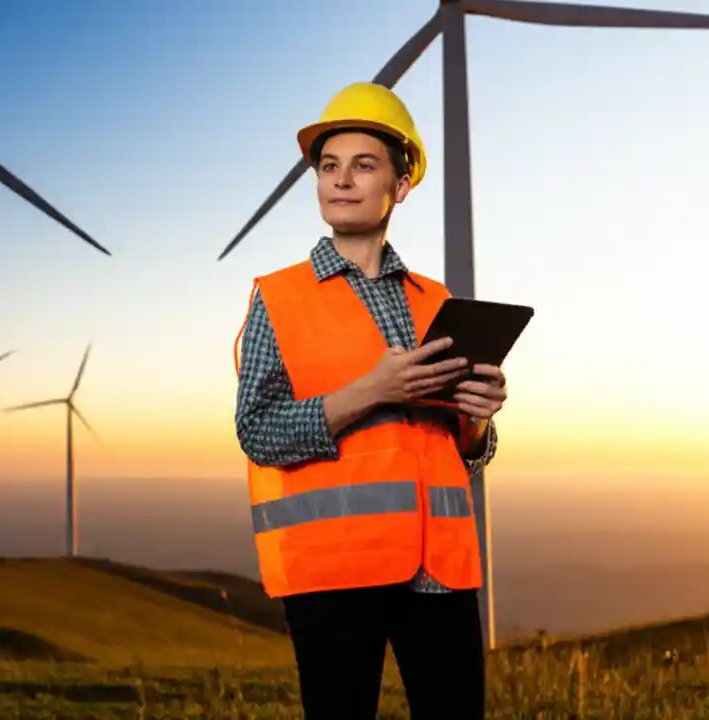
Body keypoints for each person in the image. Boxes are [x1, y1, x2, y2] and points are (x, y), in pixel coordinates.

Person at [232, 81, 508, 718]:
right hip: (334, 571)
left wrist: (476, 417)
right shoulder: (279, 298)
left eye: (363, 165)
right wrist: (368, 393)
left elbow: (456, 448)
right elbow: (257, 431)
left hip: (438, 566)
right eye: (329, 167)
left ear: (400, 185)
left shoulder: (438, 301)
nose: (341, 180)